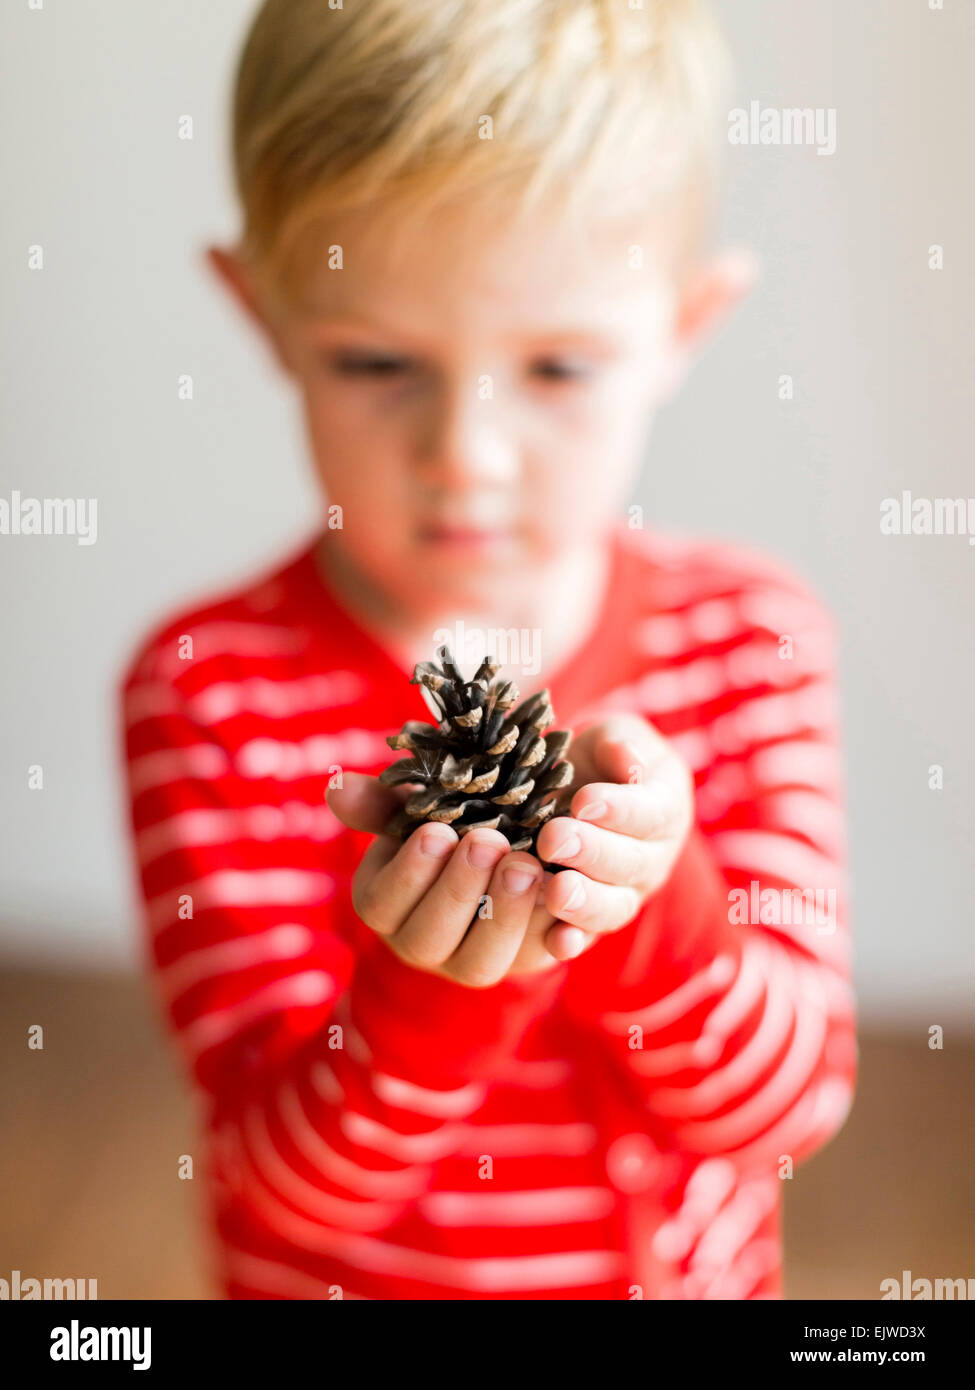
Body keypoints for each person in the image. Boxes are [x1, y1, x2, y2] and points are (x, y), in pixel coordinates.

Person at [119, 0, 856, 1299]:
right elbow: (277, 1179)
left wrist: (647, 910)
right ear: (265, 312)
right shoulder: (209, 694)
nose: (466, 452)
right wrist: (424, 993)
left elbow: (786, 1108)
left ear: (685, 325)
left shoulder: (752, 645)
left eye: (559, 368)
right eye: (377, 362)